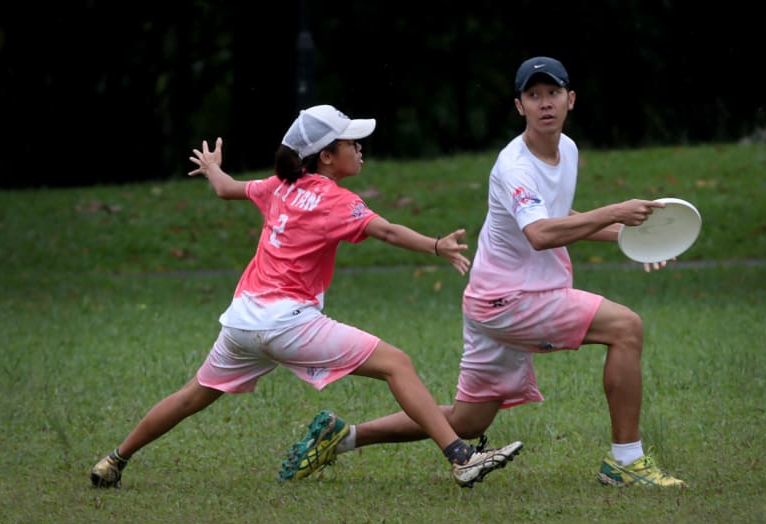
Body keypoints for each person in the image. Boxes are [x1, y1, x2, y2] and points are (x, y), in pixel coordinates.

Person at [281, 59, 685, 488]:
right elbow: (540, 233)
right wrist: (617, 209)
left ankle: (342, 437)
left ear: (571, 100)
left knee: (469, 420)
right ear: (519, 106)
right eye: (534, 96)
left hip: (489, 302)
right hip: (513, 301)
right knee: (626, 328)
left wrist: (628, 235)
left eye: (552, 93)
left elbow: (558, 214)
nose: (544, 104)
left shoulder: (567, 149)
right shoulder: (514, 165)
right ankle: (626, 461)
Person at [90, 104, 523, 490]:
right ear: (327, 157)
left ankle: (115, 459)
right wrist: (436, 245)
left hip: (242, 324)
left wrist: (212, 168)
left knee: (191, 396)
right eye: (351, 142)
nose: (359, 148)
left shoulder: (279, 186)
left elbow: (226, 189)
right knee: (397, 364)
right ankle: (461, 458)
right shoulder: (334, 200)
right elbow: (387, 231)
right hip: (288, 323)